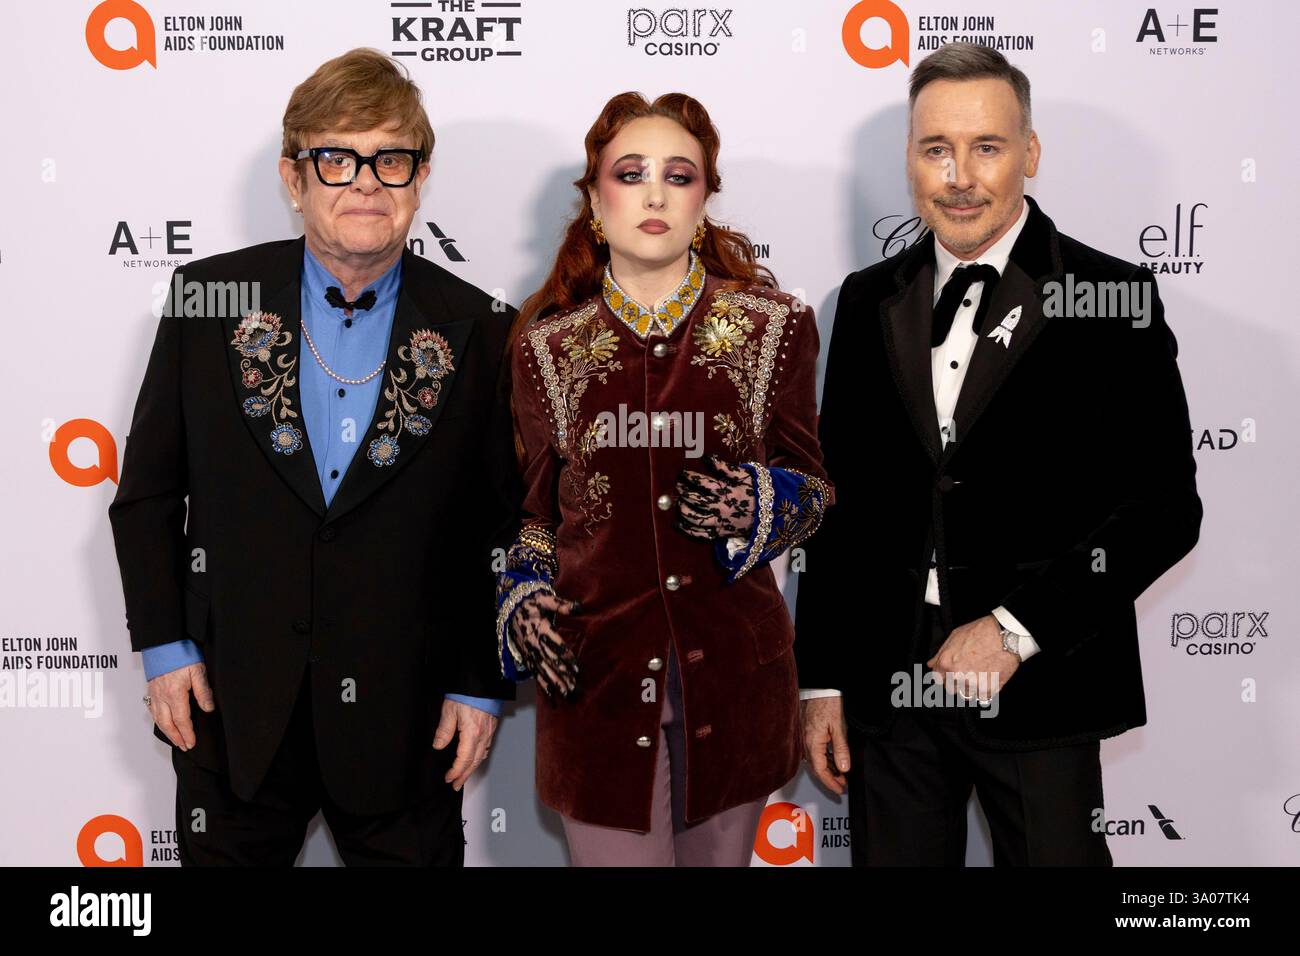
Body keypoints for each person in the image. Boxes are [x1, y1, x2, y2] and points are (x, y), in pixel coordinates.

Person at [795, 43, 1202, 866]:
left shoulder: (1112, 296)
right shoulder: (867, 298)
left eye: (987, 147)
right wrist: (824, 679)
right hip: (889, 691)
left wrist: (1015, 631)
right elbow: (837, 503)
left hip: (1043, 684)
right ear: (910, 158)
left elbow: (1164, 510)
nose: (960, 176)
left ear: (1031, 153)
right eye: (936, 148)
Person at [108, 48, 516, 865]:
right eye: (337, 158)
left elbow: (500, 524)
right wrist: (162, 648)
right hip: (231, 710)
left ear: (418, 178)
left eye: (389, 158)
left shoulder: (481, 327)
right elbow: (149, 494)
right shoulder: (204, 302)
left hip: (410, 727)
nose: (366, 180)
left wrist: (480, 680)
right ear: (295, 179)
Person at [495, 91, 834, 866]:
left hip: (737, 688)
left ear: (704, 197)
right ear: (594, 199)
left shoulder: (775, 328)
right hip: (596, 688)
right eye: (631, 173)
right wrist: (524, 595)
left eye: (678, 175)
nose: (654, 193)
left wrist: (761, 502)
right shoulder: (545, 347)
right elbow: (541, 518)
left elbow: (812, 489)